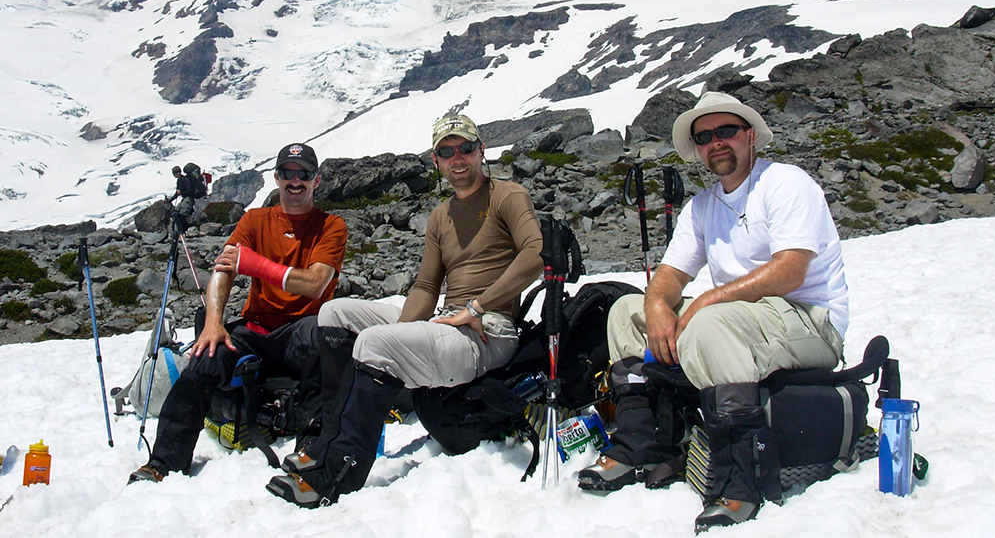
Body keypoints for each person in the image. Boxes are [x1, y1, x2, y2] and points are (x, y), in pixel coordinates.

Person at [578, 91, 849, 533]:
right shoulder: (702, 206)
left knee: (710, 320)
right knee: (626, 311)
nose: (716, 143)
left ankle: (741, 475)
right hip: (740, 323)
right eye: (704, 136)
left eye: (726, 131)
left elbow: (790, 271)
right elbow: (669, 275)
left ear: (749, 136)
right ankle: (643, 444)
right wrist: (656, 305)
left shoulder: (784, 182)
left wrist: (704, 300)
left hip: (809, 322)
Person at [267, 114, 544, 507]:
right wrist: (402, 335)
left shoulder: (507, 196)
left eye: (465, 148)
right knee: (334, 315)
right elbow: (427, 286)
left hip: (489, 331)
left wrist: (476, 306)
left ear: (482, 150)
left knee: (376, 344)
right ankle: (323, 439)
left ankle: (334, 476)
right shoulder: (441, 215)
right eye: (447, 152)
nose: (458, 158)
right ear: (436, 161)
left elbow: (534, 255)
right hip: (447, 322)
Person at [129, 143, 348, 483]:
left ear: (316, 181)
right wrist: (213, 324)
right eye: (287, 173)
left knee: (323, 343)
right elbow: (224, 269)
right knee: (206, 356)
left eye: (303, 174)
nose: (295, 181)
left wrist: (255, 264)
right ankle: (163, 463)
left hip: (302, 327)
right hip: (256, 330)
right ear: (276, 177)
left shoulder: (331, 226)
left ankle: (310, 457)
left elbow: (316, 284)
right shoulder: (255, 220)